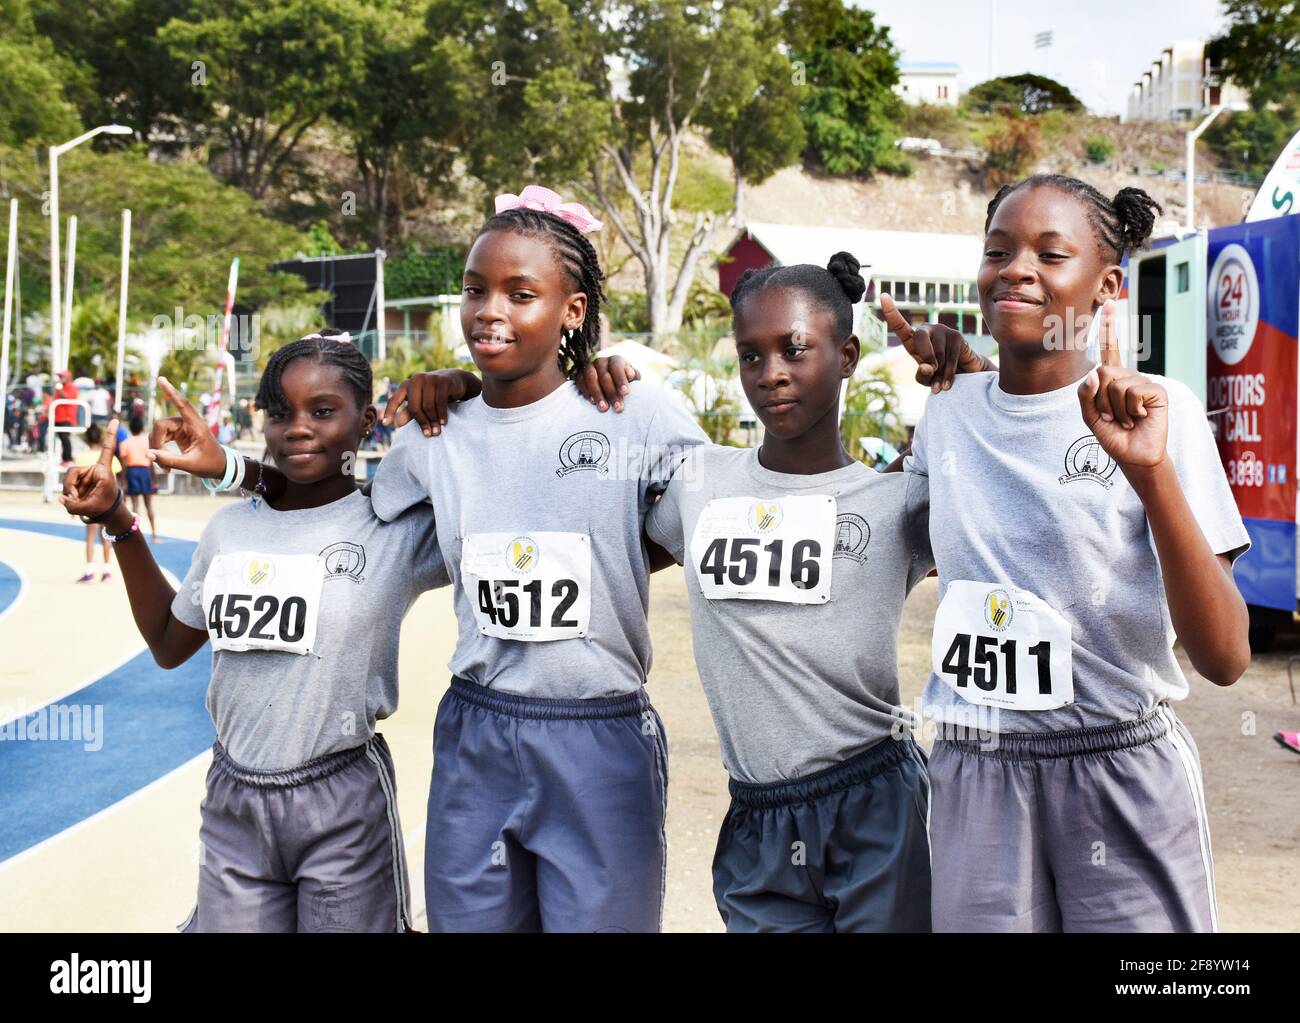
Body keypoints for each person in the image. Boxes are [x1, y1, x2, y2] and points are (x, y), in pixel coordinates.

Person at [307, 185, 703, 932]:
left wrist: (616, 554)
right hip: (478, 734)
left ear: (572, 311)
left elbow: (702, 522)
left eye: (521, 294)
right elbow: (357, 520)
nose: (489, 309)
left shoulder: (632, 412)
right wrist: (239, 474)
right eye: (475, 290)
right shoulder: (434, 433)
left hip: (599, 731)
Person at [895, 174, 1251, 932]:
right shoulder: (950, 411)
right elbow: (900, 548)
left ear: (1107, 285)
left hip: (1119, 773)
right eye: (998, 250)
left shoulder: (1160, 412)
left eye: (1051, 255)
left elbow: (1225, 655)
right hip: (975, 771)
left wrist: (1149, 472)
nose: (1016, 268)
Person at [59, 333, 452, 932]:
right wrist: (117, 521)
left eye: (323, 411)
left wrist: (465, 386)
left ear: (366, 421)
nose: (297, 428)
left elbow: (493, 488)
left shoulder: (394, 529)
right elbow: (169, 644)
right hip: (234, 801)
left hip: (342, 802)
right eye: (280, 413)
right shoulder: (229, 530)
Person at [644, 253, 935, 932]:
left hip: (875, 799)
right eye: (751, 355)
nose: (770, 372)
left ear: (848, 354)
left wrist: (968, 387)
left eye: (795, 349)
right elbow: (611, 551)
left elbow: (1008, 516)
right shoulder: (698, 484)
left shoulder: (898, 501)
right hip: (758, 813)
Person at [73, 423, 122, 583]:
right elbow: (115, 480)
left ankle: (89, 571)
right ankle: (107, 570)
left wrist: (76, 503)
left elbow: (77, 482)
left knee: (90, 536)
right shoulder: (111, 458)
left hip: (89, 501)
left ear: (86, 439)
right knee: (106, 535)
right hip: (107, 502)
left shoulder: (81, 457)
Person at [120, 416, 160, 544]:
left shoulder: (126, 442)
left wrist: (123, 480)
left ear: (130, 429)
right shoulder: (147, 441)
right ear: (142, 428)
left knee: (135, 505)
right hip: (145, 472)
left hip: (132, 471)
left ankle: (137, 534)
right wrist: (154, 479)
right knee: (149, 505)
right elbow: (151, 461)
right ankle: (154, 534)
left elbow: (124, 463)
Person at [53, 369, 79, 465]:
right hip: (58, 417)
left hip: (67, 417)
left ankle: (68, 459)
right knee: (62, 438)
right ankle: (65, 459)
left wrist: (59, 389)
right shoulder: (59, 387)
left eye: (62, 377)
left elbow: (66, 397)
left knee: (65, 438)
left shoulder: (72, 387)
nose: (60, 379)